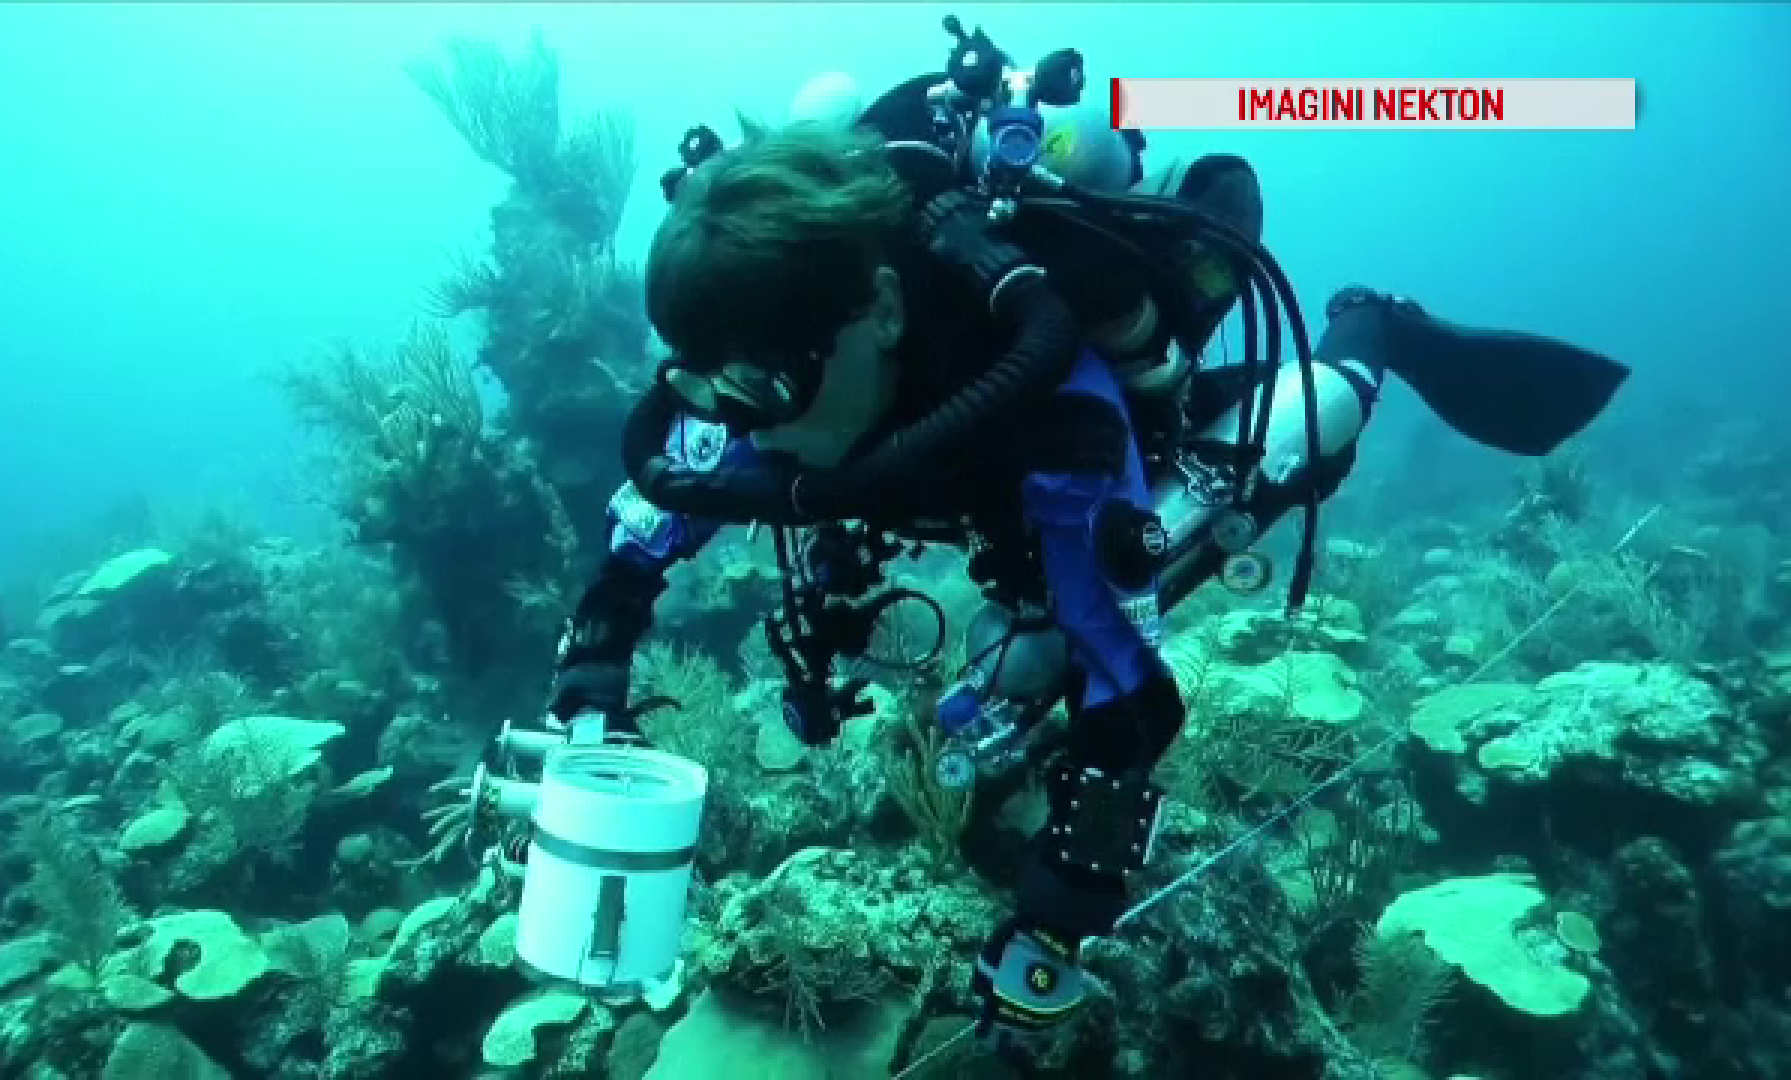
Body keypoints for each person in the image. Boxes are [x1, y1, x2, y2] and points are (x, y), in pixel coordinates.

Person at [539, 29, 1626, 1046]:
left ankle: (1371, 326)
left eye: (769, 384)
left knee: (1241, 480)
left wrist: (1057, 910)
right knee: (1015, 654)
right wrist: (592, 686)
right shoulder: (754, 372)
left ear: (875, 306)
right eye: (707, 384)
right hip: (957, 466)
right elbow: (644, 535)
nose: (742, 418)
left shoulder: (1044, 397)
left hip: (1086, 459)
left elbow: (1131, 686)